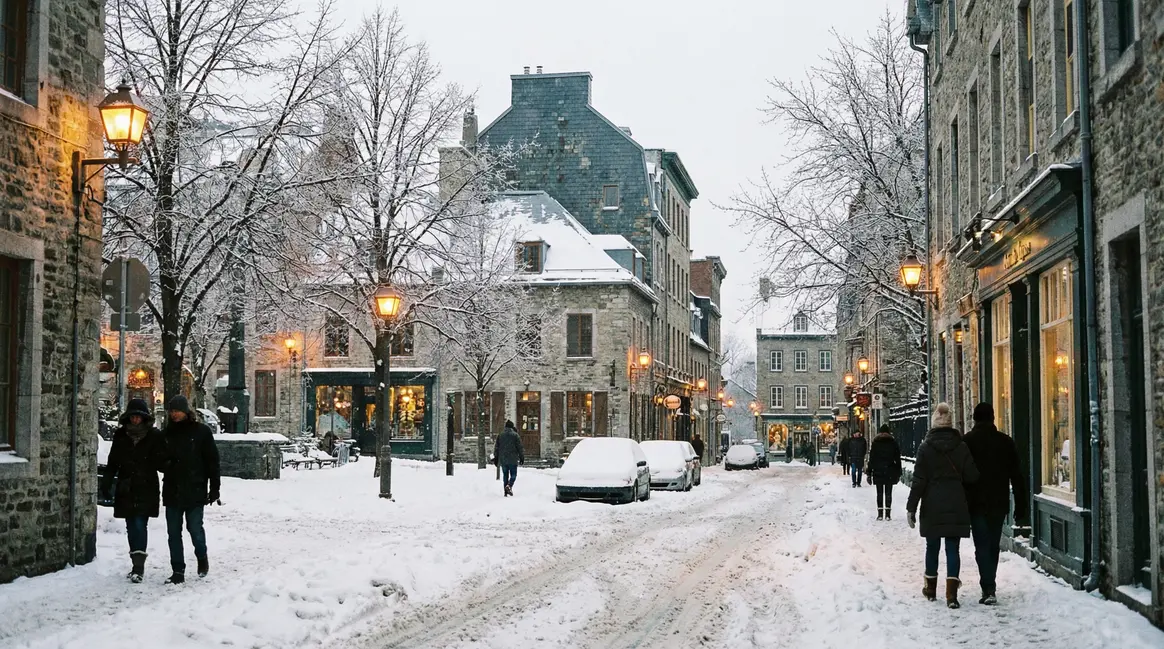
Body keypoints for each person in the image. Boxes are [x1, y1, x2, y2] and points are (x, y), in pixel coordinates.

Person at [906, 402, 980, 609]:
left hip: (932, 503)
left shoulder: (925, 448)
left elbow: (919, 480)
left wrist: (911, 507)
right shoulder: (961, 446)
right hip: (956, 501)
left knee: (932, 546)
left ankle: (930, 588)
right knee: (952, 548)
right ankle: (951, 594)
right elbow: (972, 476)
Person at [964, 402, 1029, 605]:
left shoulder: (967, 442)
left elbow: (961, 475)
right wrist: (1021, 505)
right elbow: (1017, 476)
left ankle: (988, 586)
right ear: (993, 418)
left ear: (974, 418)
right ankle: (989, 585)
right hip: (998, 501)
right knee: (993, 544)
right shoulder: (1005, 442)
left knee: (981, 545)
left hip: (975, 502)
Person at [100, 398, 168, 583]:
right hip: (126, 486)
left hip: (146, 485)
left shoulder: (154, 436)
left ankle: (139, 567)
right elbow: (113, 461)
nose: (135, 420)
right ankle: (135, 562)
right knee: (131, 526)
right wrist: (107, 483)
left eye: (138, 417)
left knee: (139, 523)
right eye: (133, 417)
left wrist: (168, 464)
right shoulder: (121, 435)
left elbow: (161, 460)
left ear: (144, 418)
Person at [162, 395, 221, 584]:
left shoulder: (201, 432)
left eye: (177, 411)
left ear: (186, 411)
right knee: (173, 532)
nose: (174, 414)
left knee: (194, 528)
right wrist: (167, 464)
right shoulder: (167, 434)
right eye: (171, 411)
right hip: (173, 488)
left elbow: (212, 461)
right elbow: (159, 458)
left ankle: (201, 556)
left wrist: (215, 487)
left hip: (195, 488)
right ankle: (178, 569)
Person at [867, 424, 903, 521]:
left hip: (878, 470)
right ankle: (888, 514)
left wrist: (869, 473)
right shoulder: (893, 442)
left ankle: (879, 514)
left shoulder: (875, 443)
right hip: (889, 470)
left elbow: (872, 459)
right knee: (888, 493)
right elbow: (897, 458)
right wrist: (899, 471)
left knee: (879, 493)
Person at [493, 420, 524, 497]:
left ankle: (505, 491)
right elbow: (520, 447)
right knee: (513, 475)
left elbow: (496, 447)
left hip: (503, 459)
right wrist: (521, 457)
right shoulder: (515, 435)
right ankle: (509, 486)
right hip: (513, 459)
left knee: (505, 475)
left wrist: (496, 458)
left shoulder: (500, 435)